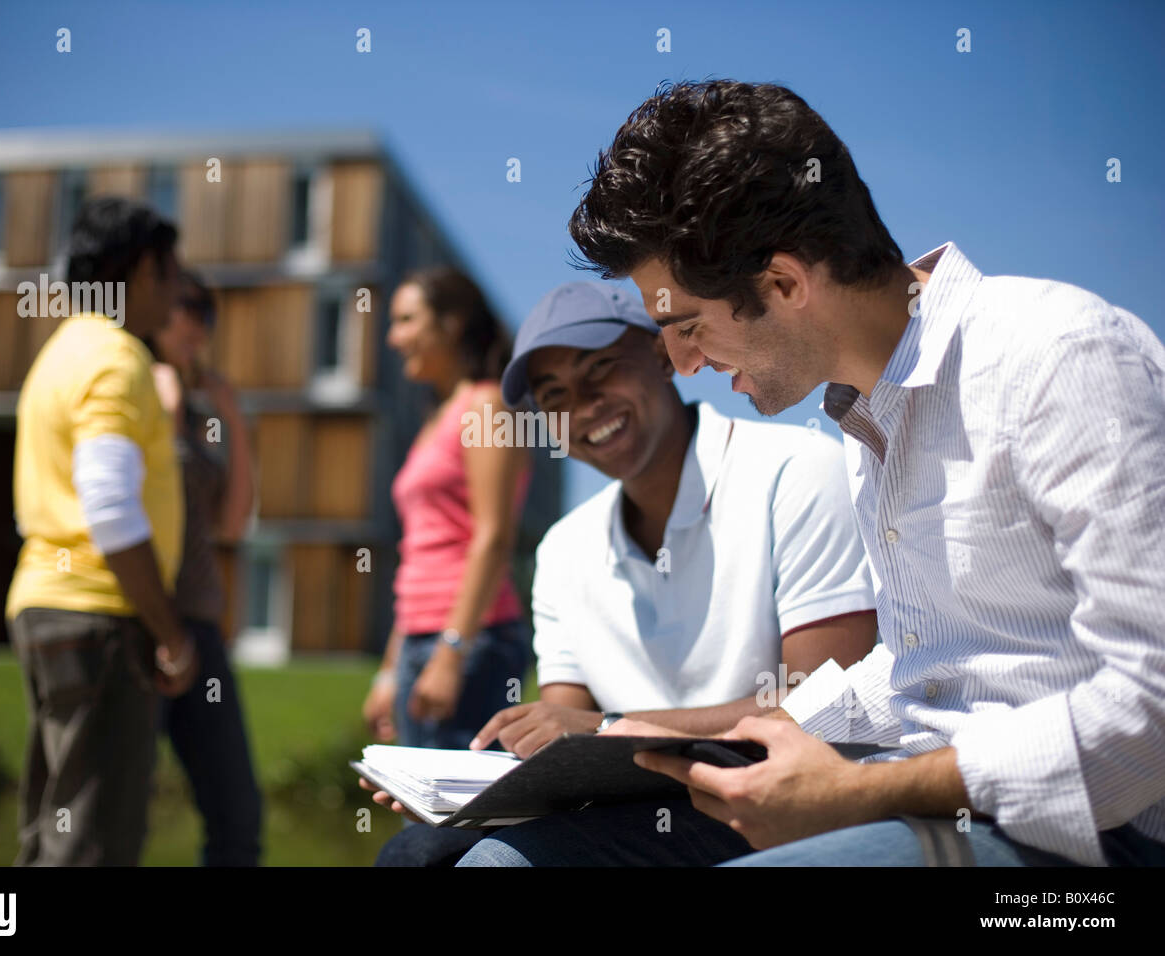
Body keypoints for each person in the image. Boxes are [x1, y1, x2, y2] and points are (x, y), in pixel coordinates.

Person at [479, 76, 1165, 868]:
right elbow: (916, 677)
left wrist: (859, 795)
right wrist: (721, 738)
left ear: (783, 284)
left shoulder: (1057, 358)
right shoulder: (865, 417)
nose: (683, 363)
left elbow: (1148, 714)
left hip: (1090, 848)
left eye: (687, 326)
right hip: (930, 799)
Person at [368, 281, 877, 866]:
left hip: (778, 803)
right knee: (417, 853)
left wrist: (611, 726)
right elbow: (561, 739)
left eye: (601, 370)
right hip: (632, 807)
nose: (583, 407)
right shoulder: (564, 549)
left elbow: (823, 702)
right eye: (554, 394)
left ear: (663, 357)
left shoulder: (797, 470)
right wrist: (463, 799)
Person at [6, 196, 197, 866]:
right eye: (172, 277)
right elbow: (111, 505)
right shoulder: (117, 359)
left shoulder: (60, 352)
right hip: (99, 619)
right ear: (144, 269)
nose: (176, 298)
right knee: (93, 843)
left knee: (50, 832)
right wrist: (171, 632)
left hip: (49, 607)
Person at [361, 268, 532, 755]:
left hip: (472, 642)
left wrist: (452, 652)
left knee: (451, 822)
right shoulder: (436, 417)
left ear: (452, 324)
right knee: (420, 812)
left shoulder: (486, 407)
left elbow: (494, 536)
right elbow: (420, 552)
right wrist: (392, 669)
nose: (394, 338)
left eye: (408, 320)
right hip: (423, 637)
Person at [150, 270, 263, 866]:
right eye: (185, 310)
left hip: (200, 622)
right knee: (122, 811)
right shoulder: (138, 391)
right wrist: (166, 410)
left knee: (237, 814)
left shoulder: (199, 415)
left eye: (205, 316)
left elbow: (232, 524)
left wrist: (232, 417)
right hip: (144, 619)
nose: (198, 326)